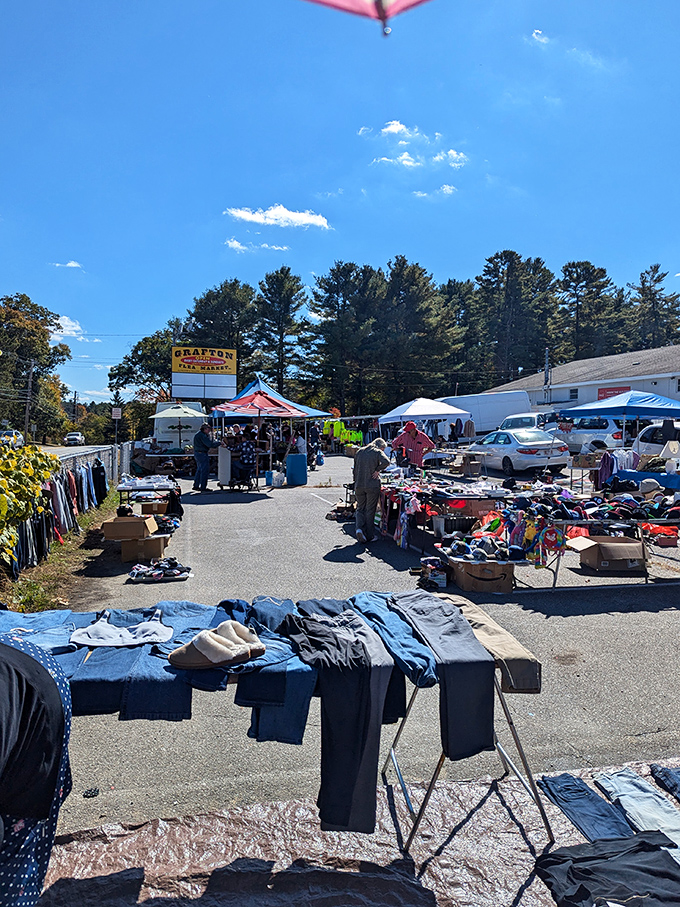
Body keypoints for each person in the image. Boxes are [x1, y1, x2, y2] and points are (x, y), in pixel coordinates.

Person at [353, 437, 390, 544]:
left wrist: (355, 482)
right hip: (371, 485)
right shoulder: (377, 452)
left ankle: (359, 529)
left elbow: (355, 469)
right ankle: (369, 535)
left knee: (360, 508)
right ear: (381, 447)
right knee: (370, 510)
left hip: (359, 484)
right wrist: (377, 470)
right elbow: (386, 462)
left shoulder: (360, 451)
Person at [192, 423, 222, 492]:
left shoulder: (199, 434)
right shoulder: (202, 436)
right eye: (208, 429)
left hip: (197, 453)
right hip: (202, 454)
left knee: (199, 470)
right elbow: (210, 444)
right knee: (204, 471)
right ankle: (203, 487)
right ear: (205, 429)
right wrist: (219, 443)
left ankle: (196, 485)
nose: (209, 431)